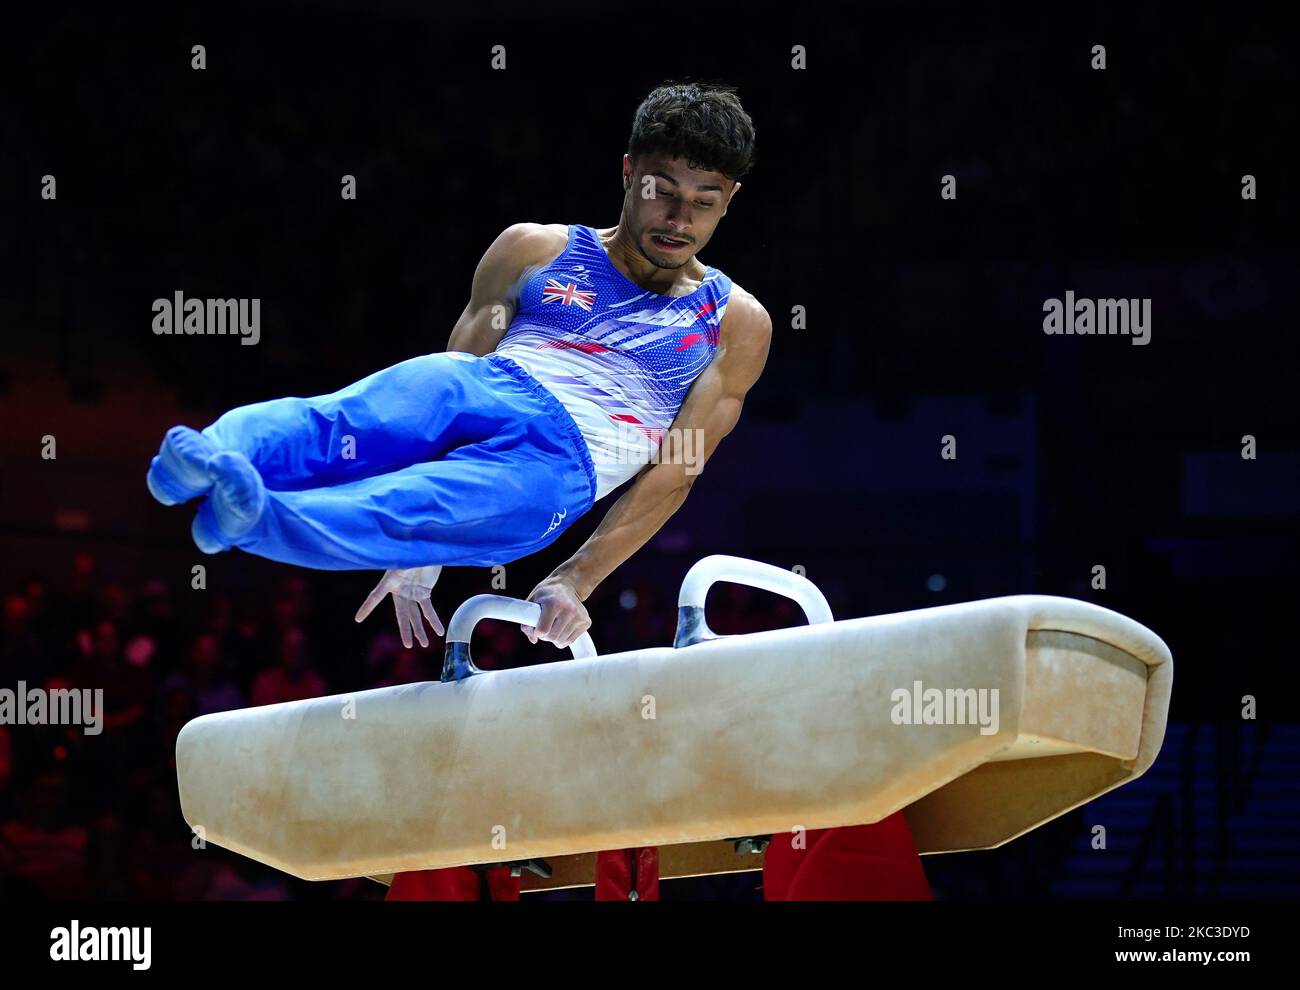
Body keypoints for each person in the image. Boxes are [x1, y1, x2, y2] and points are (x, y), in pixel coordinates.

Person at [146, 80, 770, 656]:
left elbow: (676, 471)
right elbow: (456, 376)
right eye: (663, 192)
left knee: (402, 511)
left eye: (703, 203)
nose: (678, 220)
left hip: (556, 468)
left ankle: (248, 516)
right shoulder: (534, 249)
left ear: (730, 201)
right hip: (489, 384)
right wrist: (426, 554)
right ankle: (205, 457)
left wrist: (572, 579)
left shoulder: (735, 323)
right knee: (349, 419)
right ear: (629, 172)